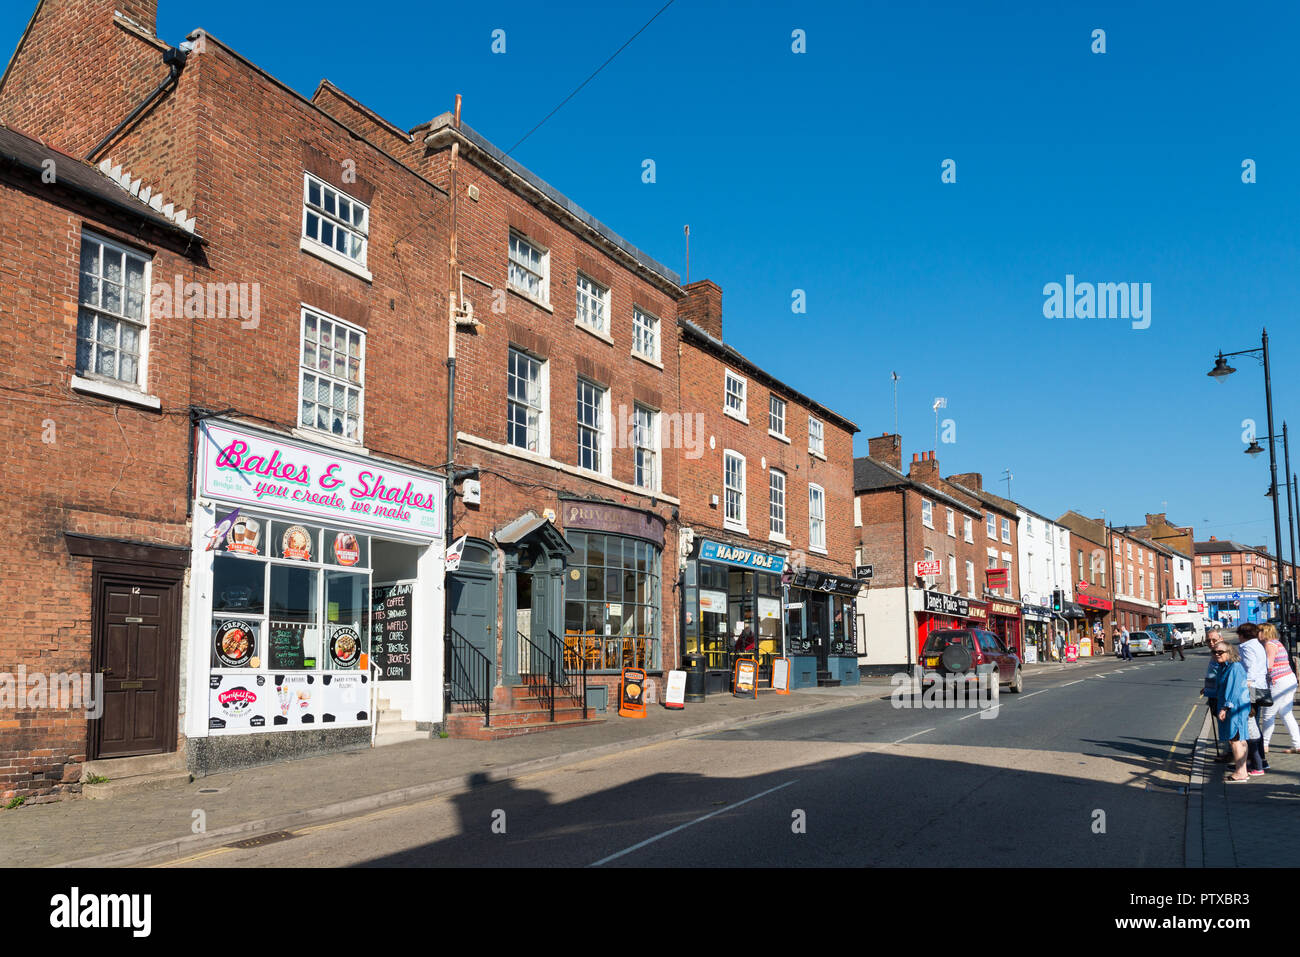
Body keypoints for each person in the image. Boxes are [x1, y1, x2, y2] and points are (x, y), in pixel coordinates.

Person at [1259, 623, 1300, 754]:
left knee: (1268, 714)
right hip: (1289, 679)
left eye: (1259, 631)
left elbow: (1268, 666)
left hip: (1278, 681)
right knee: (1286, 713)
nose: (1256, 634)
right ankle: (1297, 744)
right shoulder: (1278, 643)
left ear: (1265, 632)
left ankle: (1264, 745)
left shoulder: (1269, 645)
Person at [1214, 640, 1253, 782]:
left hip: (1235, 707)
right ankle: (1242, 769)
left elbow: (1234, 690)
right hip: (1234, 706)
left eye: (1220, 652)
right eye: (1214, 652)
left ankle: (1241, 772)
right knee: (1240, 738)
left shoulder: (1234, 667)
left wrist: (1225, 707)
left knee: (1235, 739)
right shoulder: (1224, 667)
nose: (1217, 654)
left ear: (1229, 653)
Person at [1236, 622, 1269, 774]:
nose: (1238, 637)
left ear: (1243, 635)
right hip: (1261, 686)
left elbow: (1251, 668)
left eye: (1239, 634)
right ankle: (1260, 760)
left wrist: (1246, 684)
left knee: (1250, 724)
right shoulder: (1258, 644)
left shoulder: (1247, 646)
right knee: (1254, 723)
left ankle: (1255, 764)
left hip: (1251, 689)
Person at [1203, 627, 1230, 762]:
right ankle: (1228, 752)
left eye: (1214, 639)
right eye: (1208, 640)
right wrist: (1206, 688)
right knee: (1222, 725)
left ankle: (1229, 754)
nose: (1211, 643)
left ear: (1221, 639)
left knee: (1225, 725)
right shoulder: (1214, 653)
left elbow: (1224, 675)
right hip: (1212, 693)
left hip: (1220, 695)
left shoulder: (1224, 654)